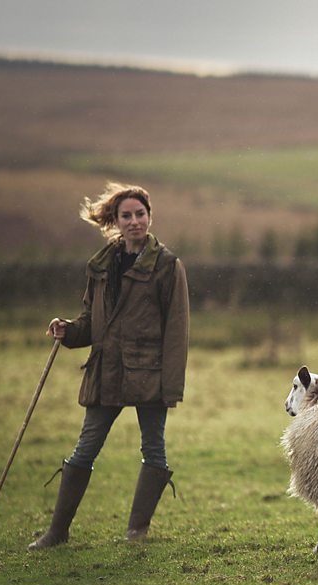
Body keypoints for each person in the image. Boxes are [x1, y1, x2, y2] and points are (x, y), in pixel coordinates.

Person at [29, 182, 189, 550]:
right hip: (106, 372)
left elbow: (177, 332)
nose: (134, 222)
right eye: (126, 216)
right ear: (115, 221)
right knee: (86, 447)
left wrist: (171, 386)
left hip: (149, 374)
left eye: (140, 214)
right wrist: (68, 330)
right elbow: (92, 321)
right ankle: (57, 533)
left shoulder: (167, 266)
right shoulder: (102, 265)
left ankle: (136, 533)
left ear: (150, 217)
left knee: (154, 449)